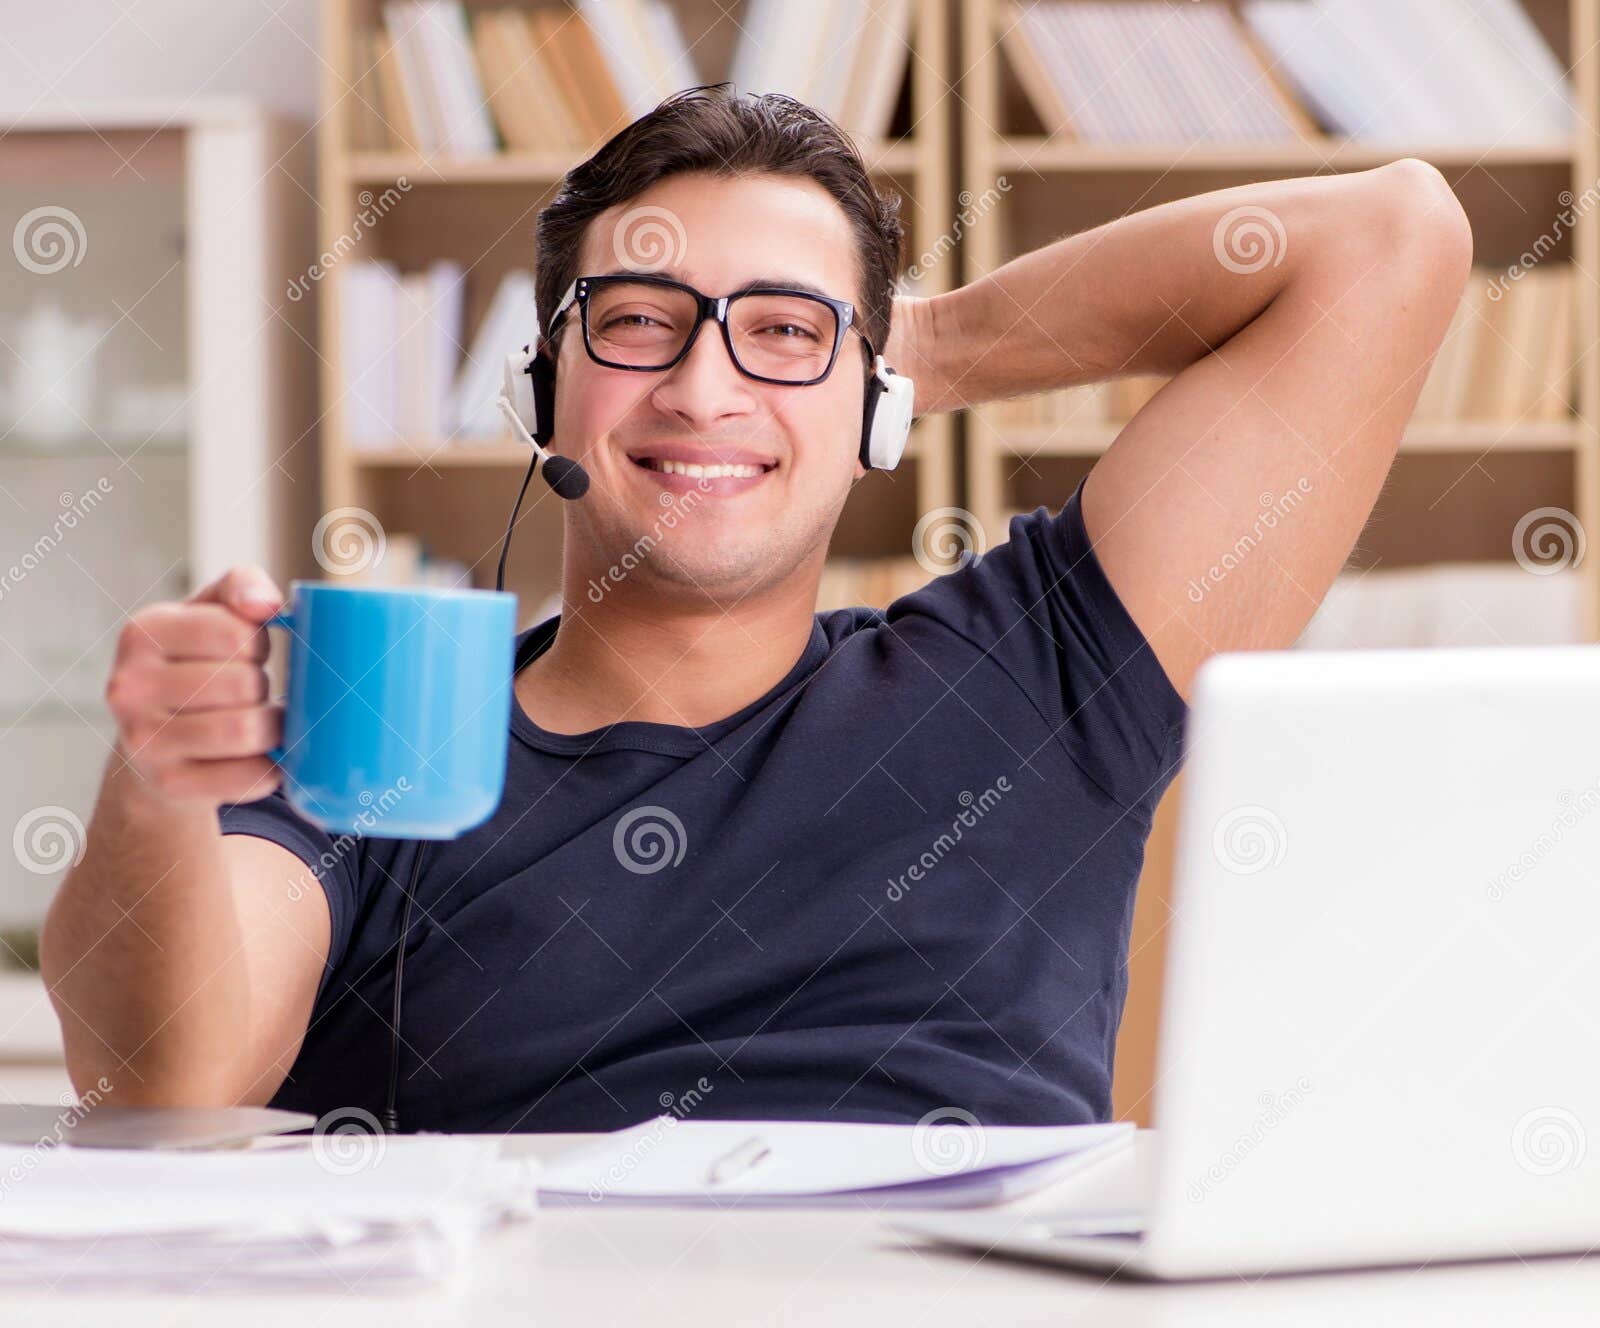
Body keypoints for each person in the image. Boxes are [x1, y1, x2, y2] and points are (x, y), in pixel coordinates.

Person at [41, 87, 1471, 1132]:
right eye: (639, 320)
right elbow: (161, 1078)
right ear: (542, 389)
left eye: (779, 332)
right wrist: (164, 778)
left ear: (874, 395)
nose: (706, 387)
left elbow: (1392, 238)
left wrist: (917, 346)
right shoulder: (387, 739)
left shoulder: (1033, 672)